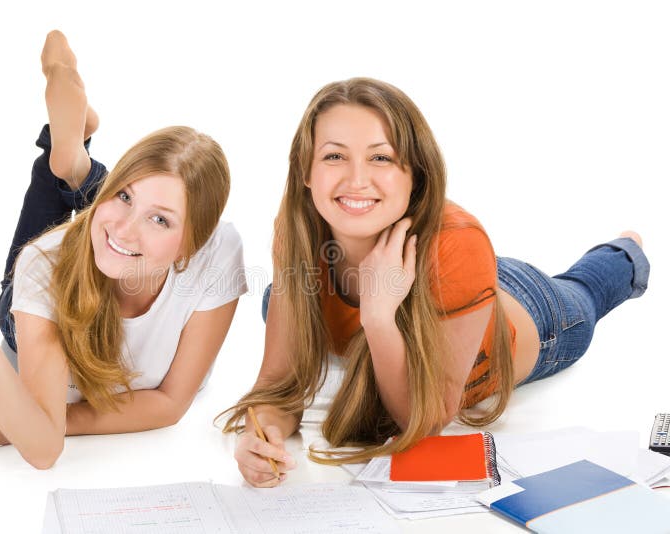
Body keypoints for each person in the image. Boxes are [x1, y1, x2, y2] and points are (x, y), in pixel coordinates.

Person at [222, 77, 649, 487]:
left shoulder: (458, 245)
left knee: (588, 291)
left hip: (531, 310)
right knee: (275, 299)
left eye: (381, 157)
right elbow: (278, 385)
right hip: (447, 283)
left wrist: (378, 314)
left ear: (416, 175)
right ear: (305, 171)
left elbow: (420, 421)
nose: (356, 179)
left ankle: (621, 252)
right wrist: (260, 436)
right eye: (334, 156)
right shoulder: (297, 230)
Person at [0, 31, 247, 469]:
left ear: (194, 243)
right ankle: (68, 150)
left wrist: (13, 420)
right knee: (75, 240)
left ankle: (72, 160)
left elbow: (168, 403)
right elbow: (45, 450)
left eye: (161, 219)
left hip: (98, 246)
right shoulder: (43, 267)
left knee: (108, 230)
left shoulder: (217, 251)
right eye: (123, 194)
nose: (127, 228)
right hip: (44, 291)